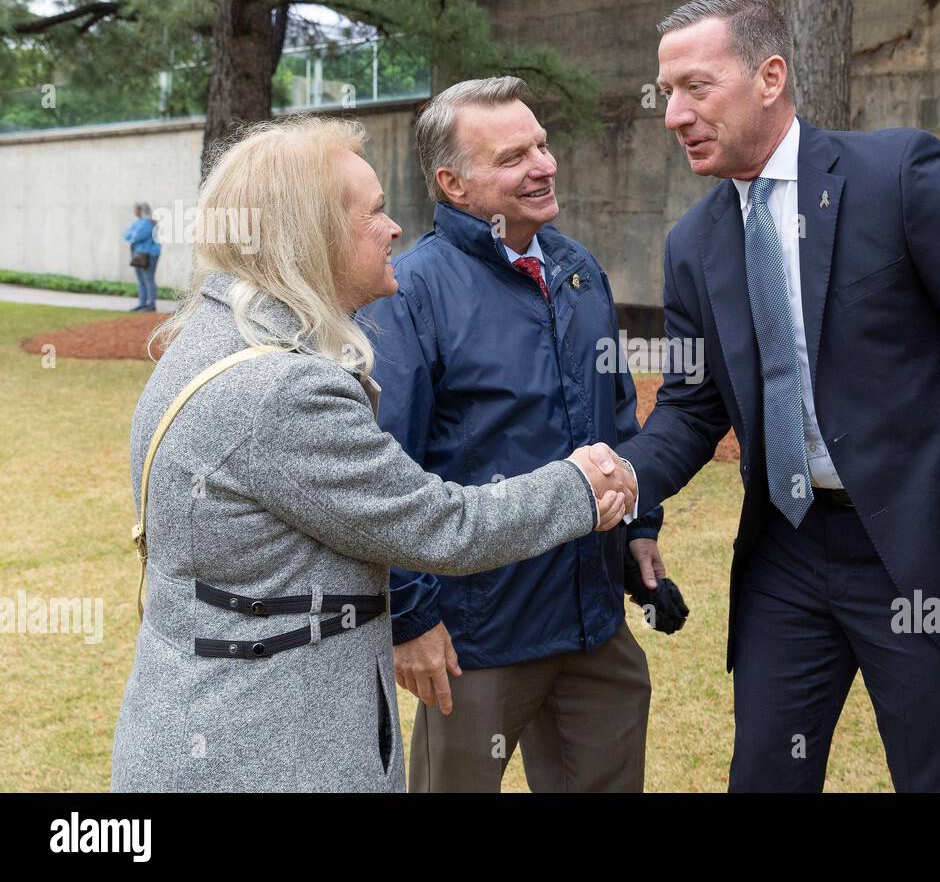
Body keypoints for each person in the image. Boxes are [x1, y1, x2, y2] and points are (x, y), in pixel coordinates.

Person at [617, 0, 940, 792]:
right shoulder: (693, 245)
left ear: (770, 77)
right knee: (764, 775)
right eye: (666, 92)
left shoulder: (896, 176)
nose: (672, 113)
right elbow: (690, 409)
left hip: (922, 550)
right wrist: (615, 486)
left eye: (694, 87)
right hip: (787, 554)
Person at [111, 115, 633, 793]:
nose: (394, 229)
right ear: (314, 237)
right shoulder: (287, 388)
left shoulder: (209, 336)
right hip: (270, 754)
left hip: (203, 725)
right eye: (377, 211)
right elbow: (438, 524)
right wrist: (579, 488)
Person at [362, 77, 676, 793]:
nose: (544, 164)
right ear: (455, 183)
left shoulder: (577, 270)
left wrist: (638, 527)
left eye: (541, 143)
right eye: (513, 156)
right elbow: (383, 475)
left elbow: (616, 417)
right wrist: (409, 619)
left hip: (594, 624)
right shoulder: (409, 296)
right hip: (476, 638)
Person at [124, 202, 160, 312]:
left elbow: (137, 236)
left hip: (149, 255)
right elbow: (126, 234)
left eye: (136, 209)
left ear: (141, 210)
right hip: (138, 255)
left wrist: (131, 233)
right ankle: (142, 303)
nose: (134, 211)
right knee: (141, 280)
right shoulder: (139, 222)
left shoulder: (148, 223)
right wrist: (131, 234)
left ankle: (150, 304)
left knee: (148, 279)